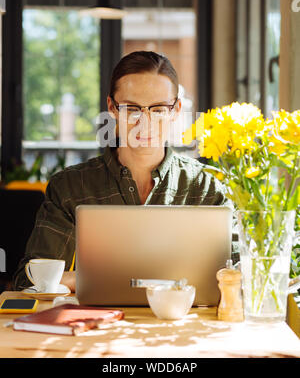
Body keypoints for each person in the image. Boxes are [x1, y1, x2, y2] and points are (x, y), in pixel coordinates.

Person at [13, 51, 237, 292]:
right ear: (112, 107)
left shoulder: (208, 187)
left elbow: (238, 272)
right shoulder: (70, 187)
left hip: (182, 325)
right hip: (94, 326)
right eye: (132, 109)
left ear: (175, 110)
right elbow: (31, 280)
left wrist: (97, 280)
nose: (145, 122)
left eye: (159, 109)